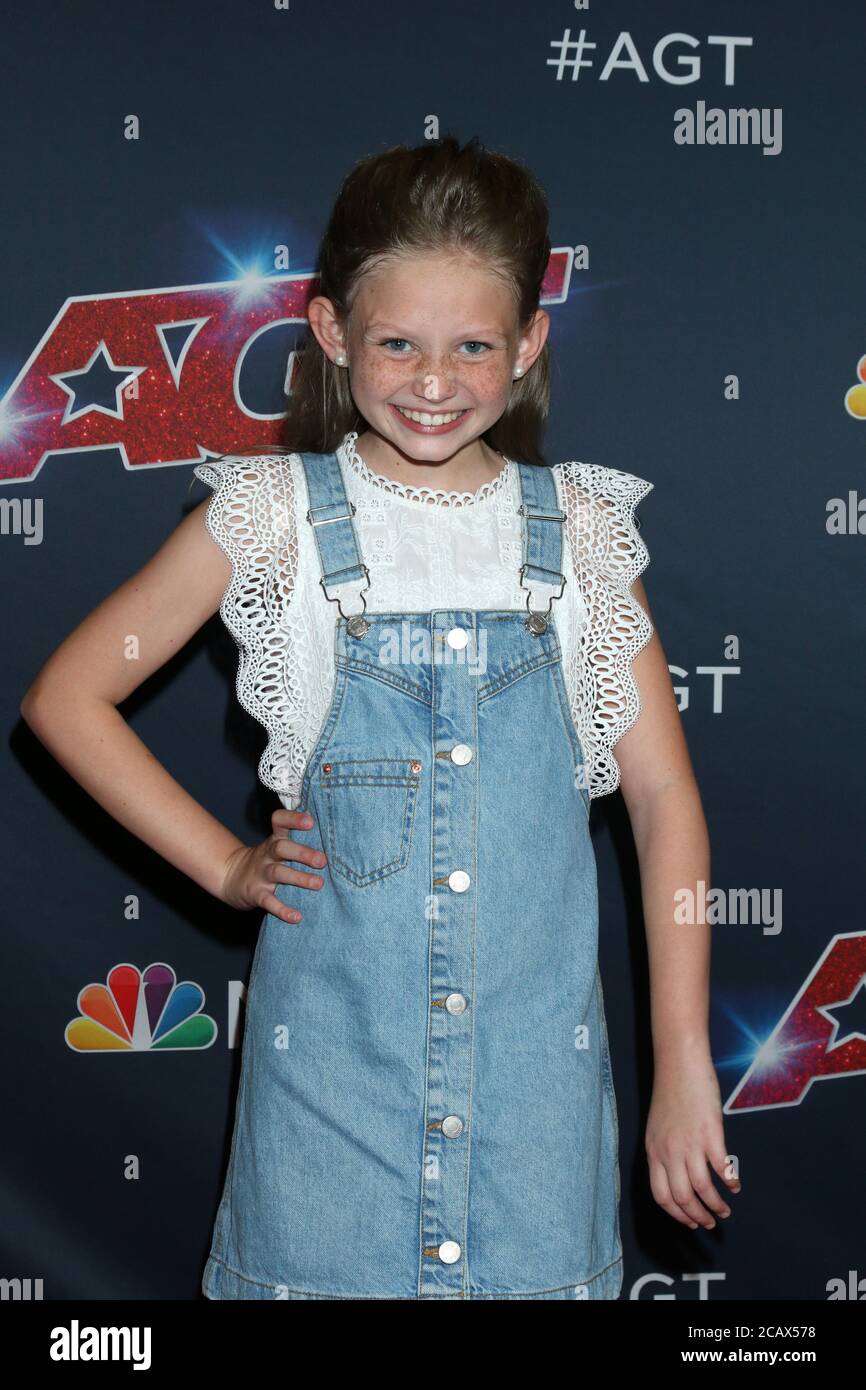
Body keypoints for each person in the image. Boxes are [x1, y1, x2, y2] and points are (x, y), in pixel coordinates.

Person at [20, 135, 738, 1301]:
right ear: (330, 332)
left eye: (471, 345)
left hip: (535, 1117)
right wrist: (225, 863)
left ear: (528, 345)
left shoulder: (583, 536)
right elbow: (68, 695)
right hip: (327, 1104)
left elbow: (661, 801)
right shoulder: (273, 517)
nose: (432, 379)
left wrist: (683, 1063)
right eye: (396, 342)